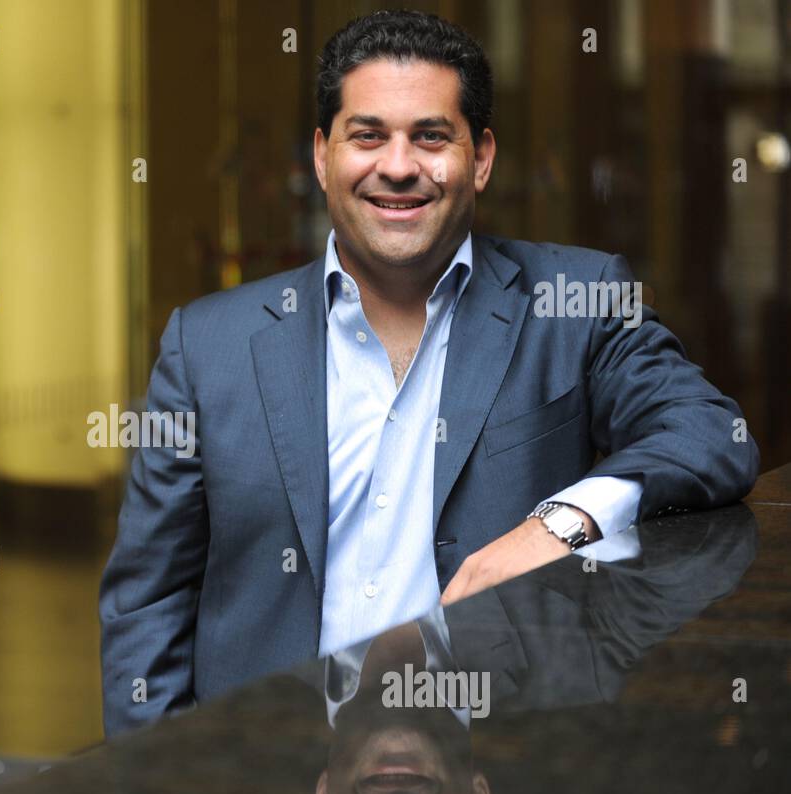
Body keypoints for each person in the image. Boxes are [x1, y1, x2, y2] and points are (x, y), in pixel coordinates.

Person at [99, 10, 760, 738]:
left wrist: (560, 524)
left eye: (431, 135)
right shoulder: (207, 345)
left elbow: (711, 433)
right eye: (368, 134)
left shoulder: (577, 303)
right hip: (264, 778)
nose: (399, 165)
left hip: (500, 765)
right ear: (322, 157)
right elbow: (148, 607)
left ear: (480, 158)